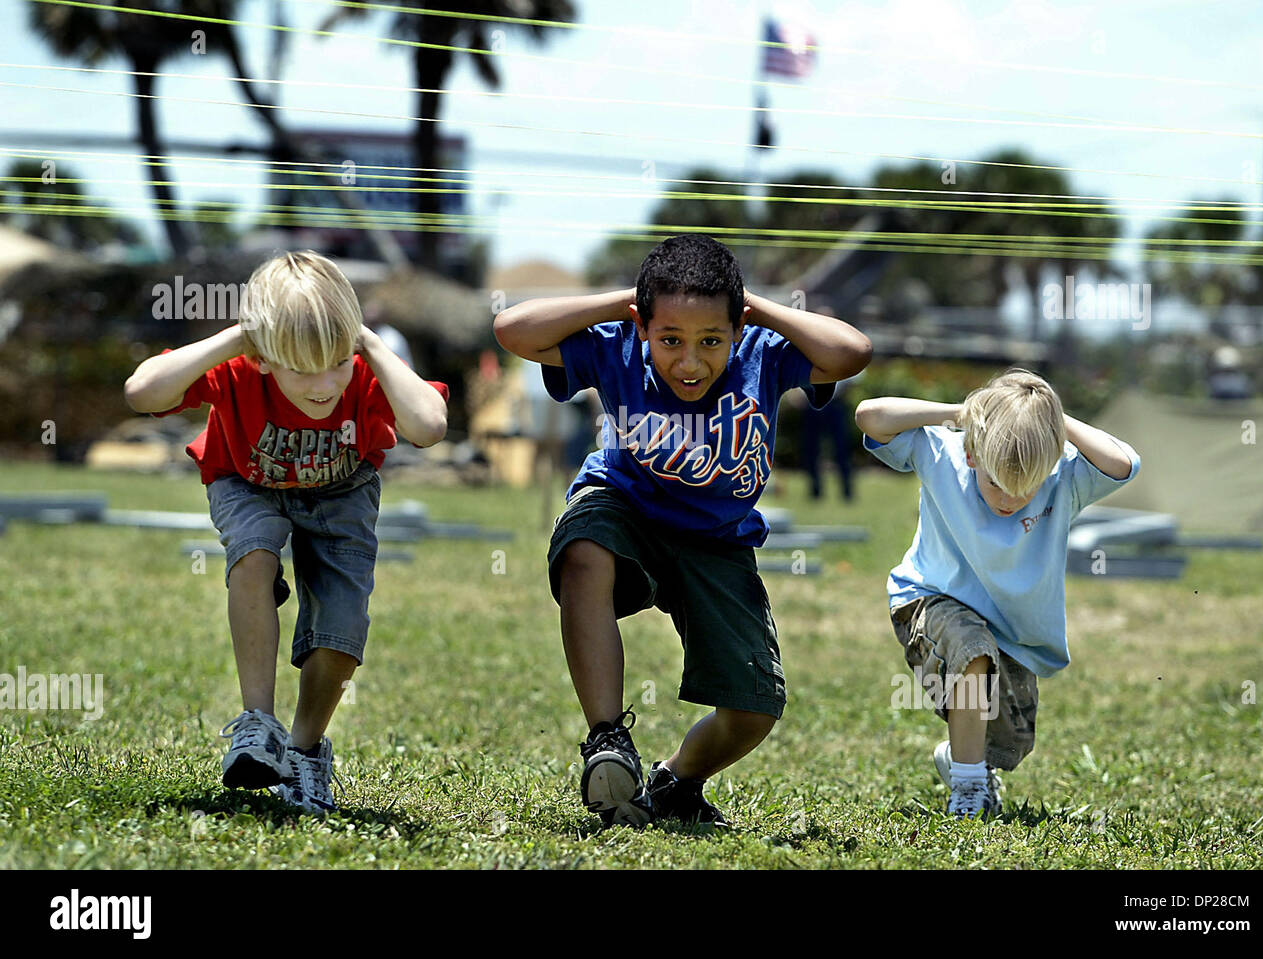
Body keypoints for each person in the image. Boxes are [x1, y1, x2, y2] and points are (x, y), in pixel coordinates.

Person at [494, 234, 872, 827]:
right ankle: (607, 740)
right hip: (626, 507)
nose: (689, 362)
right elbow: (512, 329)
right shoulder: (617, 343)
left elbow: (852, 352)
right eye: (670, 339)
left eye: (711, 340)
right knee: (584, 549)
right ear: (643, 326)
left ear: (738, 330)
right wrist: (631, 302)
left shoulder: (763, 353)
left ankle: (675, 782)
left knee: (753, 710)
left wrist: (754, 308)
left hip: (718, 540)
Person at [123, 251, 448, 813]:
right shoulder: (240, 367)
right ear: (264, 357)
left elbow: (429, 426)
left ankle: (302, 750)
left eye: (337, 363)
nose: (324, 386)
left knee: (341, 632)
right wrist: (237, 339)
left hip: (343, 494)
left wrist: (369, 345)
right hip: (248, 484)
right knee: (253, 556)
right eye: (301, 368)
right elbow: (144, 391)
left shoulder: (364, 367)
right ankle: (257, 724)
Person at [856, 370, 1139, 818]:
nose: (1011, 498)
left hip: (1013, 629)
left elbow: (1121, 462)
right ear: (972, 454)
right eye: (997, 484)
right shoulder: (943, 452)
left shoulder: (1063, 476)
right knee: (973, 651)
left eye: (1026, 487)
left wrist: (1050, 422)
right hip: (928, 600)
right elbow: (870, 415)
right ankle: (968, 793)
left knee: (1008, 740)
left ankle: (965, 762)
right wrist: (963, 413)